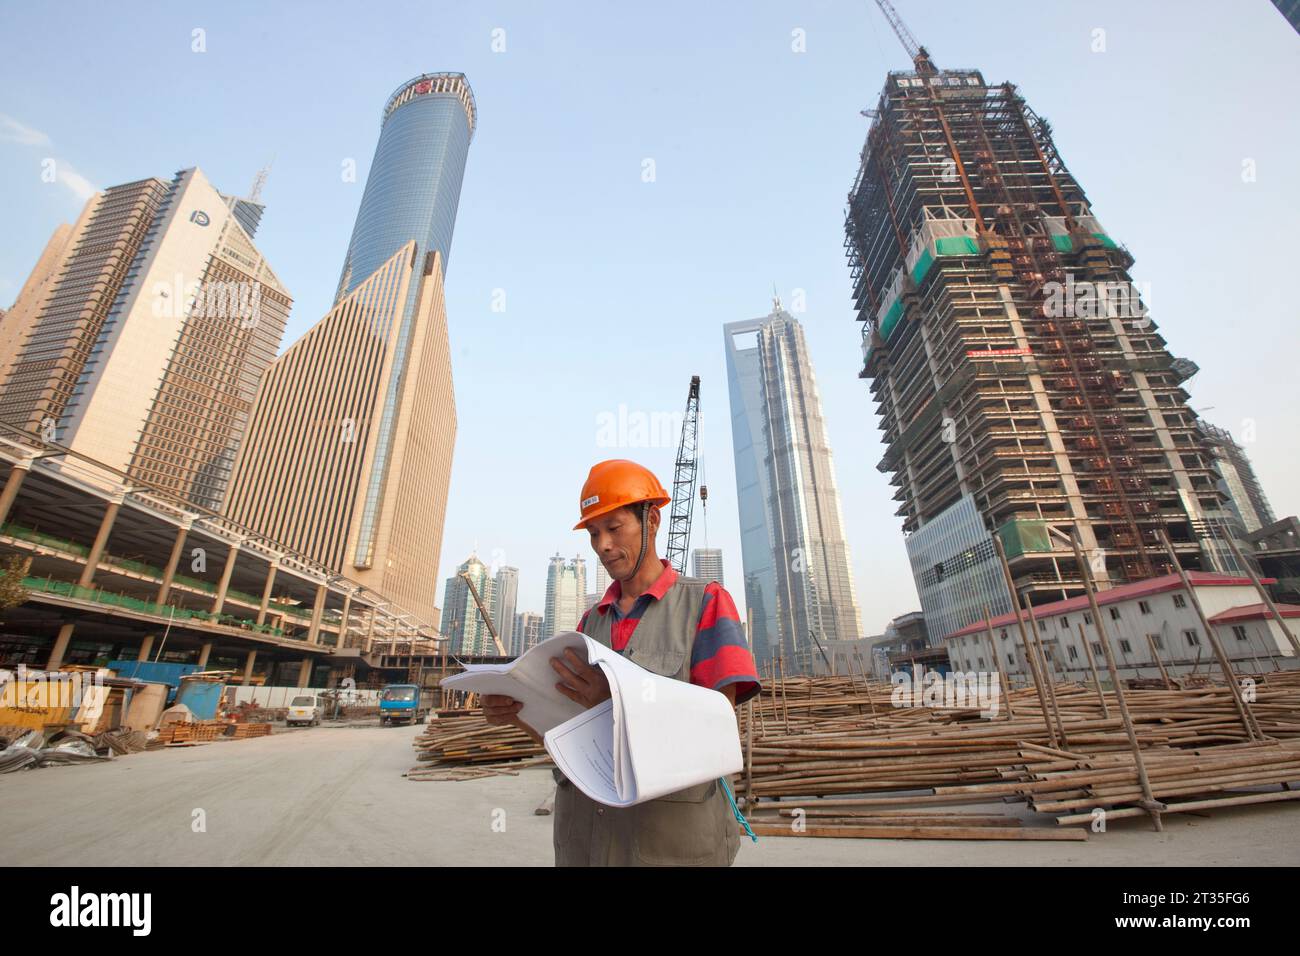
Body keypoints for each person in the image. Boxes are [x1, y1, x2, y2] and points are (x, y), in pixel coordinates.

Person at [483, 459, 760, 866]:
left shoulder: (705, 603)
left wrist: (612, 705)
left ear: (652, 520)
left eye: (615, 528)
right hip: (586, 845)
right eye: (594, 533)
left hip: (669, 846)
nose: (602, 545)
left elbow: (715, 733)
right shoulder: (588, 624)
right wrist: (519, 714)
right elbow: (571, 743)